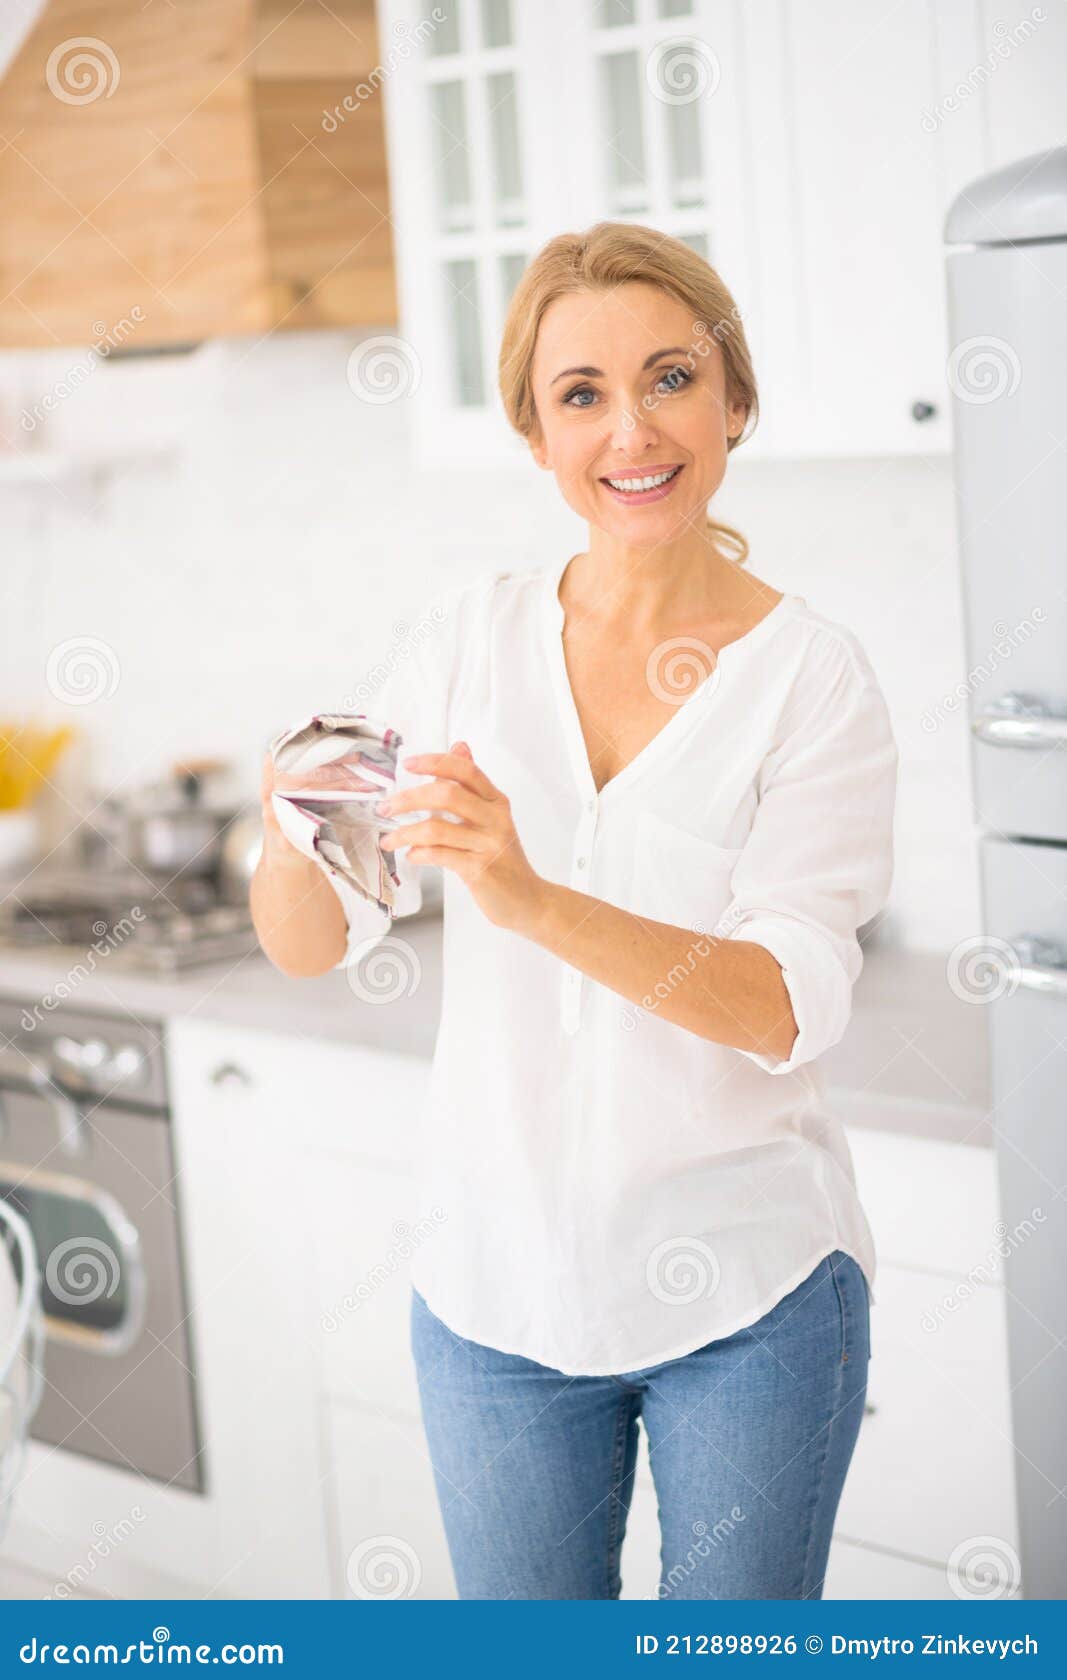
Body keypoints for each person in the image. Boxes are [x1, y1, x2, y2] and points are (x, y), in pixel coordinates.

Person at [250, 222, 898, 1600]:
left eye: (670, 377)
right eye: (581, 395)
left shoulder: (812, 680)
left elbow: (779, 1003)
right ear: (537, 436)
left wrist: (530, 895)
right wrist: (289, 819)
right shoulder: (462, 642)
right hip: (499, 1298)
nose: (631, 432)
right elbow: (312, 941)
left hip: (751, 1295)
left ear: (735, 397)